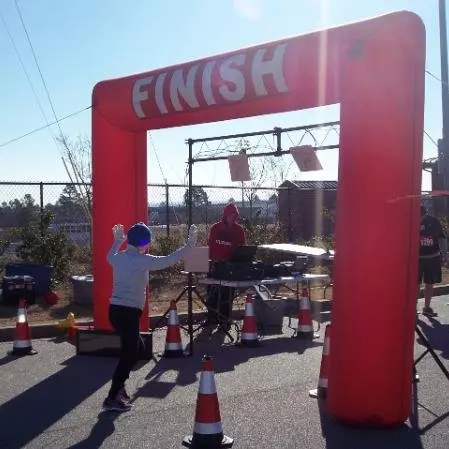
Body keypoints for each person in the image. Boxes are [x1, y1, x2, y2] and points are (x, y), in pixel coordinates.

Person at [103, 221, 197, 412]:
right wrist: (189, 247)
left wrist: (117, 241)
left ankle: (118, 389)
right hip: (128, 313)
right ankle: (112, 397)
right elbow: (168, 260)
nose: (149, 246)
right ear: (142, 243)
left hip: (115, 311)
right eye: (147, 242)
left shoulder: (119, 257)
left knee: (137, 348)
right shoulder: (141, 260)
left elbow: (109, 256)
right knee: (129, 354)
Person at [206, 203, 246, 326]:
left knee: (227, 293)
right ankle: (211, 317)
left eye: (234, 214)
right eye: (230, 214)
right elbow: (210, 246)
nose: (232, 217)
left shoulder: (239, 230)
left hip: (230, 266)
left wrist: (239, 260)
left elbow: (242, 248)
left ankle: (225, 318)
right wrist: (209, 262)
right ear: (225, 215)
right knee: (212, 293)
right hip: (215, 264)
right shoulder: (215, 228)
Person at [419, 205, 446, 317]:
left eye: (422, 217)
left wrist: (444, 253)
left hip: (432, 257)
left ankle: (427, 307)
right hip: (417, 258)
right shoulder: (409, 221)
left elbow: (441, 237)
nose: (421, 220)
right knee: (415, 284)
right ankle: (412, 309)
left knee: (429, 283)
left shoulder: (433, 221)